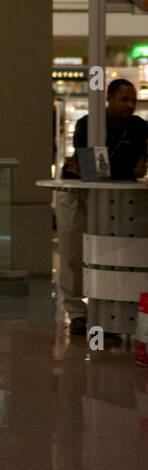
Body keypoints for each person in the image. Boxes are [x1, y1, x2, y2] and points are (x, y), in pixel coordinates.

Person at [55, 78, 147, 338]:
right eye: (124, 99)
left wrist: (108, 167)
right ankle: (76, 313)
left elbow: (123, 165)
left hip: (113, 197)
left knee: (111, 250)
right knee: (72, 250)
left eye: (133, 100)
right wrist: (123, 169)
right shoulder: (88, 124)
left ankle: (107, 307)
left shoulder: (139, 127)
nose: (129, 105)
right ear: (109, 99)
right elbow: (93, 168)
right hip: (77, 193)